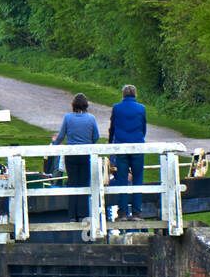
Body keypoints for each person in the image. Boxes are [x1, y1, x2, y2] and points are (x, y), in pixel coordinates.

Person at [51, 93, 99, 221]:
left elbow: (61, 135)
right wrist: (89, 143)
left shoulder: (68, 118)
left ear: (73, 105)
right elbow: (96, 136)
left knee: (72, 183)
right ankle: (83, 214)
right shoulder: (91, 118)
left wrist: (54, 145)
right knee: (84, 183)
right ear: (86, 105)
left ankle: (72, 215)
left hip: (71, 155)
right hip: (85, 155)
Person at [109, 84, 148, 220]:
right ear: (135, 95)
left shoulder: (117, 108)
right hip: (137, 146)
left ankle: (123, 212)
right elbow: (143, 128)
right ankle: (137, 211)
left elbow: (112, 128)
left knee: (122, 179)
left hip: (121, 147)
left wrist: (111, 145)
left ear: (123, 95)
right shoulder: (141, 109)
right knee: (137, 178)